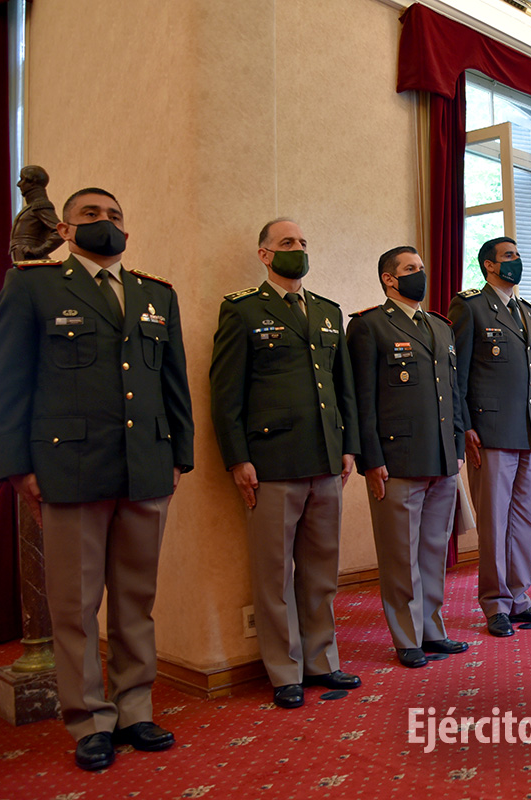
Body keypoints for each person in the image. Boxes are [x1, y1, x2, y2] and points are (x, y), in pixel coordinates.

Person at [0, 188, 193, 770]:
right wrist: (17, 466)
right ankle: (89, 720)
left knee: (136, 600)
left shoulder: (156, 294)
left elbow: (172, 382)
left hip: (147, 467)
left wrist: (181, 452)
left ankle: (135, 709)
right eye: (91, 216)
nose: (106, 223)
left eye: (115, 215)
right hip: (68, 468)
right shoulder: (33, 286)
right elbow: (5, 383)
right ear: (65, 227)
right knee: (75, 606)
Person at [209, 218, 361, 710]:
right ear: (264, 255)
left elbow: (344, 390)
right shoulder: (243, 310)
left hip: (325, 458)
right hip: (272, 462)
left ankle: (321, 660)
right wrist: (238, 458)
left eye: (302, 242)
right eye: (287, 243)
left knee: (320, 571)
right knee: (275, 574)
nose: (297, 249)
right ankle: (285, 668)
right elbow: (226, 392)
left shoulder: (325, 310)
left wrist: (348, 446)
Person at [347, 246, 467, 668]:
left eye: (421, 267)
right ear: (389, 279)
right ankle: (406, 636)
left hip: (441, 458)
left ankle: (432, 628)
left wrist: (456, 447)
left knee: (433, 550)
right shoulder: (370, 326)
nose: (420, 274)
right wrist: (371, 459)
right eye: (410, 269)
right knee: (401, 555)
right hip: (396, 459)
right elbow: (362, 401)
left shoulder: (440, 326)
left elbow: (452, 394)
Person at [448, 238, 531, 638]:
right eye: (509, 256)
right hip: (490, 431)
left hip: (527, 430)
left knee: (526, 521)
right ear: (489, 266)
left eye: (518, 254)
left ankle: (520, 596)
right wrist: (465, 427)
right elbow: (456, 374)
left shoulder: (529, 313)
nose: (517, 261)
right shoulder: (471, 306)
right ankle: (495, 603)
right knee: (494, 522)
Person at [9, 164, 63, 262]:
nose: (18, 184)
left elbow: (59, 232)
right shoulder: (32, 206)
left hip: (31, 262)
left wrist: (38, 251)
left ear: (32, 182)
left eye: (22, 179)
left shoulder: (40, 204)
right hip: (22, 260)